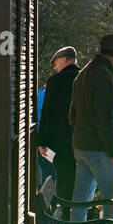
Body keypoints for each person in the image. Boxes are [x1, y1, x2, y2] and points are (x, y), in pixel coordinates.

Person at [68, 33, 113, 224]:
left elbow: (72, 116)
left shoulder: (84, 72)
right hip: (100, 150)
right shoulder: (105, 76)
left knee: (81, 200)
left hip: (80, 146)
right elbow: (105, 120)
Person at [36, 46, 79, 203]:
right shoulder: (84, 78)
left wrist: (41, 142)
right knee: (80, 181)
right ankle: (78, 218)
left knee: (61, 179)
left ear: (64, 60)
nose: (55, 67)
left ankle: (63, 220)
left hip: (59, 144)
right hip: (83, 141)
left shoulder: (55, 81)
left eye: (56, 63)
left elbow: (48, 115)